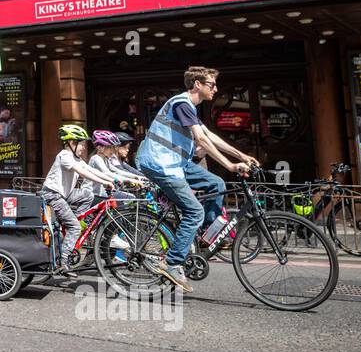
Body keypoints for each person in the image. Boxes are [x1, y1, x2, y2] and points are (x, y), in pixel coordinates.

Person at [134, 66, 259, 291]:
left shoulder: (189, 108)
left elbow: (210, 136)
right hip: (159, 165)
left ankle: (208, 236)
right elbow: (201, 139)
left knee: (216, 183)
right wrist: (230, 165)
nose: (216, 89)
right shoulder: (180, 104)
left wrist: (242, 155)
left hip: (176, 164)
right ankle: (172, 263)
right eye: (212, 84)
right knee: (194, 211)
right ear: (198, 85)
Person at [42, 124, 146, 269]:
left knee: (87, 195)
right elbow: (83, 172)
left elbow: (89, 169)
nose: (84, 148)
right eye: (81, 144)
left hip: (66, 193)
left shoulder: (75, 157)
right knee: (75, 227)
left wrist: (108, 181)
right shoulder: (64, 156)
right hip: (53, 194)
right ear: (72, 143)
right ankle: (63, 262)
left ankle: (78, 217)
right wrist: (105, 181)